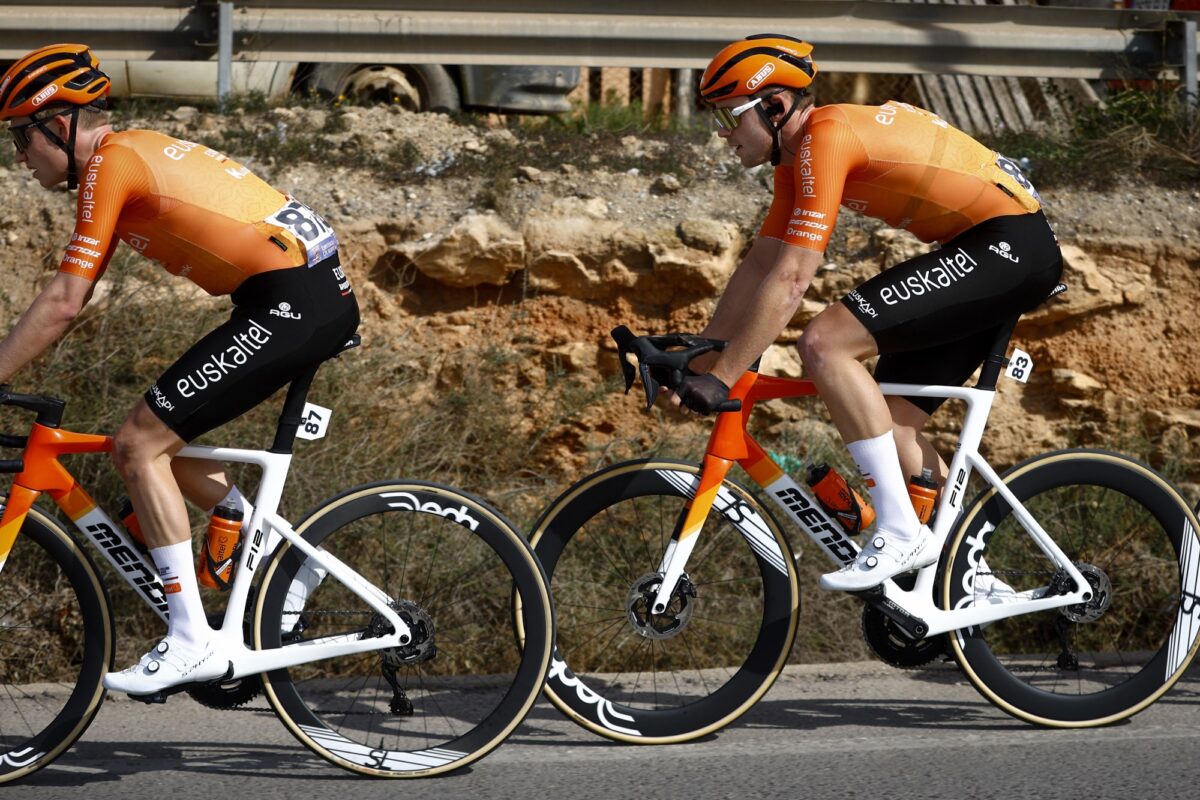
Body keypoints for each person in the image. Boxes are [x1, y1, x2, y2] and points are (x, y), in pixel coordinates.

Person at [0, 44, 360, 695]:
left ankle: (193, 641)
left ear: (60, 122)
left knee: (139, 444)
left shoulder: (114, 162)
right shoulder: (126, 154)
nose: (19, 157)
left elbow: (62, 304)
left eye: (23, 137)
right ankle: (274, 548)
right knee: (153, 443)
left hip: (292, 299)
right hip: (292, 293)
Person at [675, 34, 1062, 592]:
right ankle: (964, 578)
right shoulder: (796, 158)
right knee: (894, 424)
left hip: (1007, 246)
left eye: (729, 116)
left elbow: (790, 281)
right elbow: (762, 264)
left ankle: (902, 532)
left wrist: (724, 379)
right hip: (992, 249)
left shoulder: (826, 136)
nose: (723, 134)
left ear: (775, 107)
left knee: (825, 343)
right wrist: (701, 352)